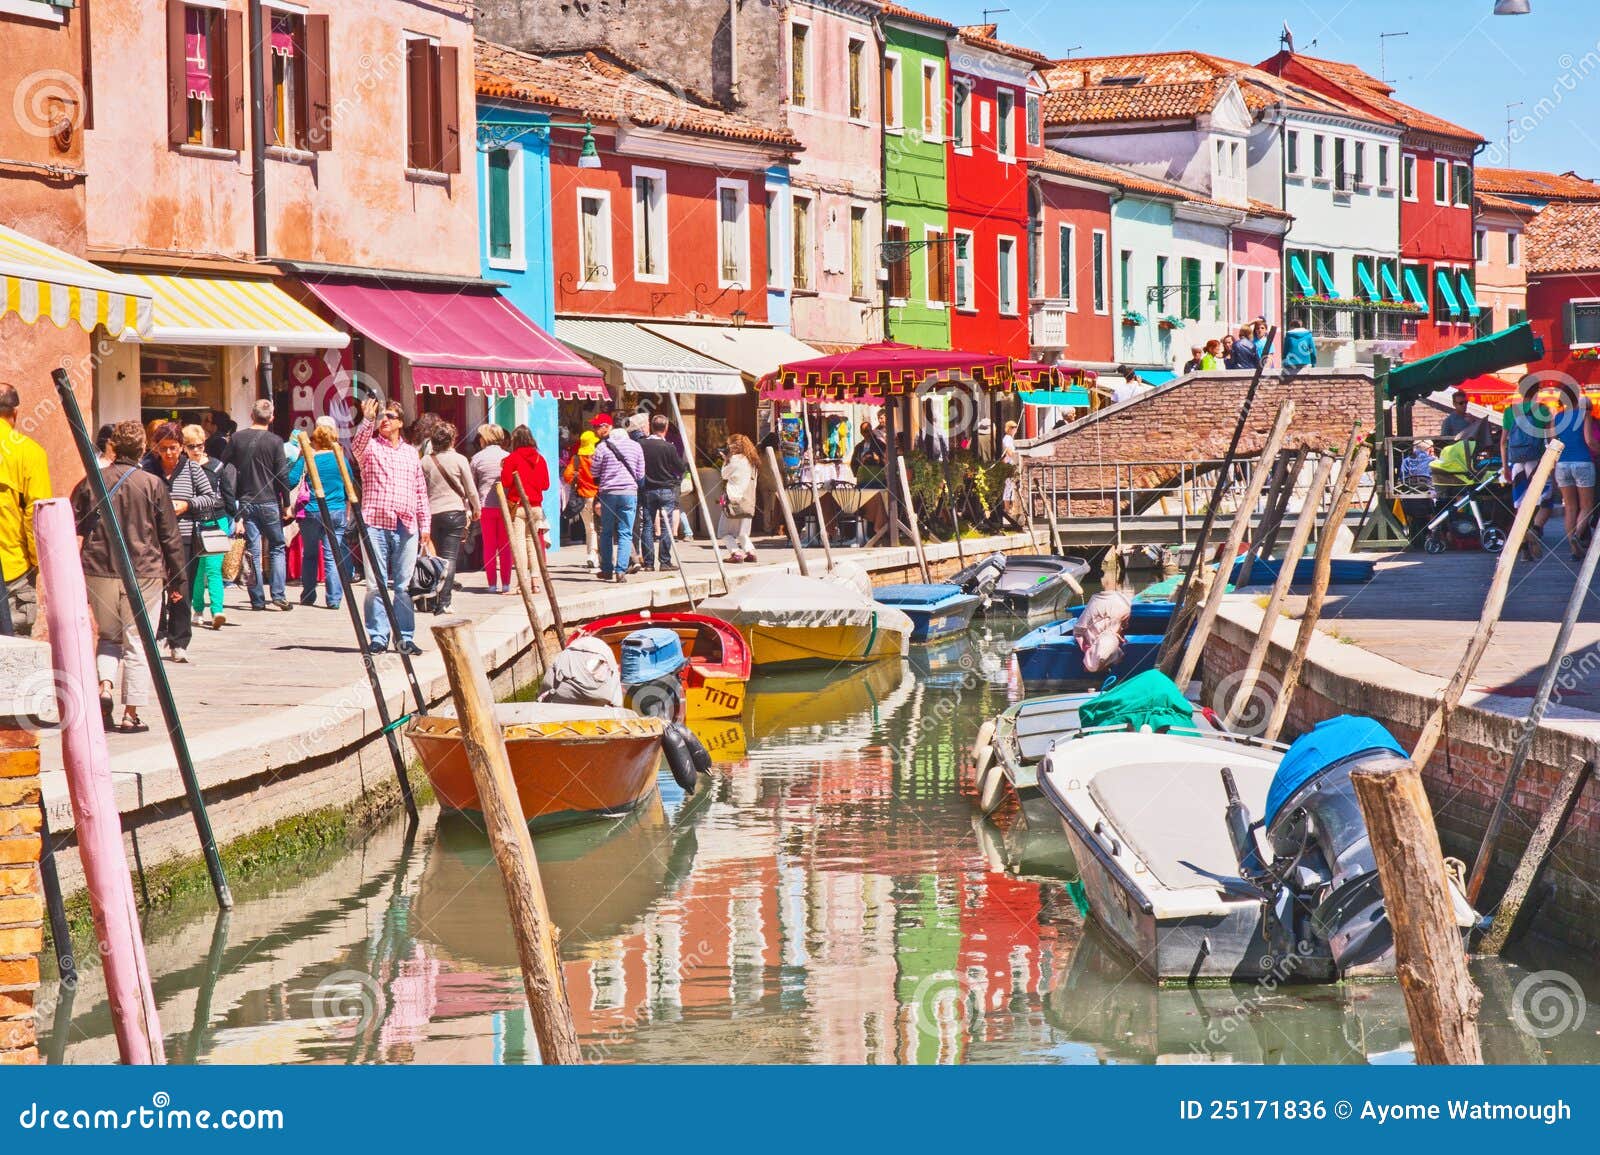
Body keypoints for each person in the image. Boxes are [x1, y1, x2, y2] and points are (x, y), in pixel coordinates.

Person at [74, 422, 185, 733]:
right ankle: (130, 713)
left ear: (113, 447)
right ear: (143, 449)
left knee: (109, 636)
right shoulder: (152, 484)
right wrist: (178, 580)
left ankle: (105, 687)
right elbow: (170, 536)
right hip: (144, 571)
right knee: (138, 640)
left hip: (99, 568)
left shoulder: (91, 481)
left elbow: (76, 521)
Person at [354, 398, 431, 654]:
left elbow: (420, 490)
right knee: (375, 585)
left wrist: (425, 523)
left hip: (406, 525)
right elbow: (357, 446)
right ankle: (378, 636)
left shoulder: (411, 453)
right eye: (381, 417)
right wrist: (367, 419)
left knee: (403, 586)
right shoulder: (370, 448)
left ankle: (404, 637)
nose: (384, 420)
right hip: (375, 523)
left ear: (400, 423)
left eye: (389, 416)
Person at [144, 421, 222, 662]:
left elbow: (211, 498)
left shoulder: (192, 469)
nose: (169, 453)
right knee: (155, 589)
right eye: (164, 448)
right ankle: (158, 634)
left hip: (184, 538)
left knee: (181, 589)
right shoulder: (148, 469)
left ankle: (179, 641)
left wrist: (187, 505)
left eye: (173, 448)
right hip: (153, 539)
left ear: (181, 447)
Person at [224, 399, 293, 611]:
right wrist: (287, 504)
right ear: (271, 418)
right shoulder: (275, 441)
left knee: (253, 550)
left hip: (246, 500)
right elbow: (282, 475)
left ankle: (257, 599)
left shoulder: (237, 438)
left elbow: (224, 464)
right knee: (277, 547)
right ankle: (278, 594)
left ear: (251, 415)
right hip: (270, 500)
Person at [0, 384, 50, 635]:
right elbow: (37, 517)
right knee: (15, 649)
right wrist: (37, 562)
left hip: (13, 566)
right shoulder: (29, 452)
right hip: (13, 568)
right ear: (15, 412)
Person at [287, 422, 349, 610]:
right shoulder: (341, 459)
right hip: (336, 510)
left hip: (311, 511)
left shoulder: (308, 458)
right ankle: (334, 599)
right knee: (333, 555)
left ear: (315, 440)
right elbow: (350, 483)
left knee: (310, 554)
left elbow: (290, 481)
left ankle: (308, 595)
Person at [420, 423, 479, 615]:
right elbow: (470, 489)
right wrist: (476, 508)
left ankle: (432, 598)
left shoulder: (425, 461)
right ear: (452, 440)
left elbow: (420, 488)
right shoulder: (460, 459)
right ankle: (444, 601)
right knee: (449, 558)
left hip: (431, 513)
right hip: (454, 512)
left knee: (433, 557)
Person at [184, 423, 236, 630]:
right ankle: (197, 609)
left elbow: (228, 494)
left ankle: (217, 611)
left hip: (217, 520)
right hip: (193, 522)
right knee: (197, 571)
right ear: (184, 447)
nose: (196, 450)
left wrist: (237, 519)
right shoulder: (182, 468)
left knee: (213, 568)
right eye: (191, 446)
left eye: (199, 445)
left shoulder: (216, 466)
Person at [1501, 377, 1553, 561]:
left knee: (1521, 507)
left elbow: (1503, 442)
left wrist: (1505, 467)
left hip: (1516, 463)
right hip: (1536, 461)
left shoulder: (1510, 411)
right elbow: (1551, 440)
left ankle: (1524, 550)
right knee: (1546, 502)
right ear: (1537, 390)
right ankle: (1535, 530)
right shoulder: (1543, 410)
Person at [589, 413, 644, 583]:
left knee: (606, 532)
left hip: (608, 493)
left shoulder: (602, 447)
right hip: (629, 493)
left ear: (609, 428)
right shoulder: (636, 446)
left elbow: (594, 472)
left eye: (597, 427)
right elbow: (640, 474)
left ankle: (607, 569)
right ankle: (621, 571)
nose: (595, 430)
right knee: (625, 532)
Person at [499, 425, 550, 593]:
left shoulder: (512, 458)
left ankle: (522, 583)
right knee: (532, 543)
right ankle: (535, 582)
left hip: (519, 505)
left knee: (519, 544)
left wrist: (504, 469)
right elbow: (546, 485)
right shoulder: (540, 459)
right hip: (536, 507)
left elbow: (506, 482)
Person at [1548, 390, 1595, 559]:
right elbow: (1589, 440)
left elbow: (1553, 444)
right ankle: (1577, 535)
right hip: (1582, 462)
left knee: (1569, 507)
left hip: (1562, 464)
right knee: (1587, 506)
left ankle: (1573, 549)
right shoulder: (1584, 415)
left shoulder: (1557, 418)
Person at [639, 413, 687, 572]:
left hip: (648, 489)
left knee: (647, 525)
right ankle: (665, 562)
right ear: (666, 428)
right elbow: (680, 467)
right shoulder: (669, 447)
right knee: (666, 526)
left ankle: (648, 563)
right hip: (666, 488)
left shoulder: (641, 444)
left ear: (652, 427)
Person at [470, 424, 512, 593]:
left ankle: (492, 584)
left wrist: (472, 507)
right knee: (505, 546)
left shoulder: (477, 458)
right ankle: (506, 583)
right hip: (505, 506)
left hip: (485, 506)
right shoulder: (507, 456)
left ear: (485, 438)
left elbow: (472, 485)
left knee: (489, 546)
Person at [562, 427, 600, 570]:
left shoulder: (576, 459)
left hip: (582, 497)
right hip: (598, 497)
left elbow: (567, 476)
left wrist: (577, 478)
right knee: (598, 528)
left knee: (589, 528)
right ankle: (595, 556)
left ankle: (591, 555)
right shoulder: (597, 457)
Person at [719, 434, 760, 562]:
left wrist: (726, 460)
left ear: (734, 446)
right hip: (748, 501)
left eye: (728, 444)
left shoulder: (735, 460)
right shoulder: (752, 461)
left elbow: (724, 475)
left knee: (723, 531)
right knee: (742, 532)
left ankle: (736, 553)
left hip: (734, 500)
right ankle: (750, 552)